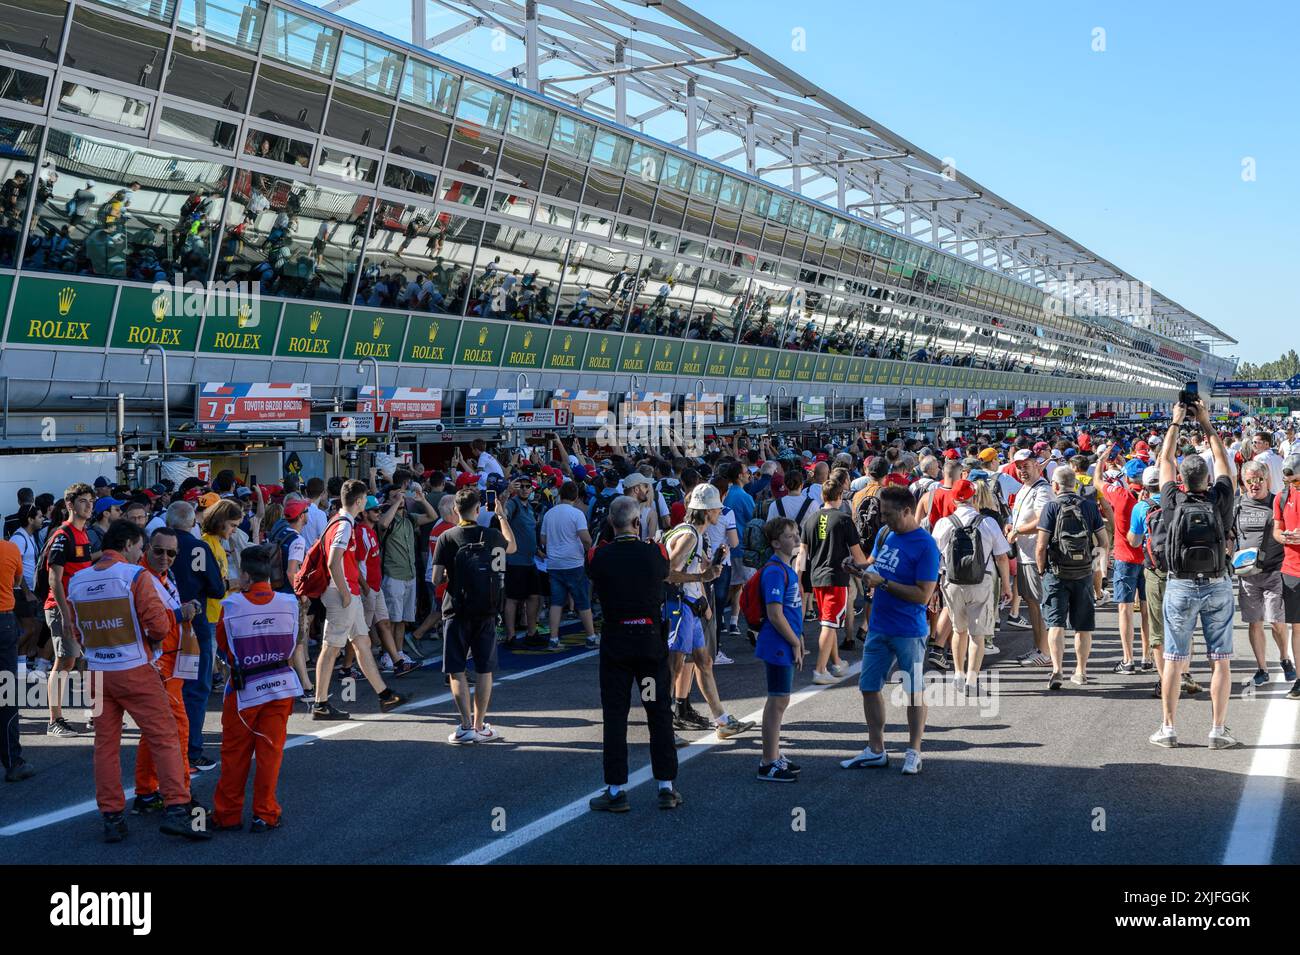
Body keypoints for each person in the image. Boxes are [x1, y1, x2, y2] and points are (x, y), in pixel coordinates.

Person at [66, 520, 210, 843]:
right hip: (135, 669)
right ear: (129, 544)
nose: (141, 554)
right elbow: (158, 627)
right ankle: (176, 808)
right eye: (140, 548)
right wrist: (177, 614)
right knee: (165, 736)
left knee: (105, 746)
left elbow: (77, 632)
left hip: (99, 671)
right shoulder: (135, 576)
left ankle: (112, 818)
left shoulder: (77, 581)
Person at [1150, 399, 1238, 749]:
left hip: (1181, 585)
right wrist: (1206, 423)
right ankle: (1218, 730)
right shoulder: (1222, 497)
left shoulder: (1172, 500)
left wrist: (1175, 423)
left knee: (1174, 658)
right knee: (1221, 659)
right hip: (1217, 582)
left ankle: (1169, 728)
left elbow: (1165, 460)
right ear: (1206, 480)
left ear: (1183, 481)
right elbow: (1223, 462)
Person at [587, 496, 682, 809]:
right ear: (638, 523)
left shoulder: (599, 556)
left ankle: (615, 790)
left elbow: (593, 564)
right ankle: (666, 785)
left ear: (612, 524)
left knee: (615, 715)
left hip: (617, 645)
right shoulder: (654, 553)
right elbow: (665, 566)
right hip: (648, 645)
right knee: (657, 710)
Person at [842, 485, 939, 775]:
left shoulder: (925, 545)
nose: (883, 519)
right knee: (869, 687)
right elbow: (873, 565)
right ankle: (876, 749)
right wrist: (857, 568)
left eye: (888, 514)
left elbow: (923, 595)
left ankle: (914, 751)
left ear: (908, 511)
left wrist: (881, 583)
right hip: (879, 626)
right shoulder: (886, 535)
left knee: (913, 691)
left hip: (909, 629)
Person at [211, 545, 302, 832]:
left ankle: (227, 815)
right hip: (281, 685)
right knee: (270, 752)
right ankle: (265, 813)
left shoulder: (232, 607)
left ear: (246, 576)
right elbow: (296, 641)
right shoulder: (290, 603)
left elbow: (224, 649)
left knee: (235, 753)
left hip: (244, 689)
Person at [662, 484, 753, 739]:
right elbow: (667, 573)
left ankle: (722, 720)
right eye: (717, 509)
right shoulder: (690, 535)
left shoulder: (695, 533)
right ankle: (664, 726)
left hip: (689, 605)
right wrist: (703, 576)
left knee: (704, 662)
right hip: (679, 606)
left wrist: (705, 593)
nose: (720, 513)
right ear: (708, 511)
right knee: (675, 666)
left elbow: (691, 571)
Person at [311, 479, 407, 720]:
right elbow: (334, 561)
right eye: (365, 499)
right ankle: (320, 703)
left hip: (346, 592)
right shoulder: (344, 525)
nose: (367, 503)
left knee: (362, 643)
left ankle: (385, 695)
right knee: (331, 647)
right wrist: (345, 593)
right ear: (359, 501)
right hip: (342, 593)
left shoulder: (339, 521)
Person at [431, 487, 516, 744]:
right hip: (486, 608)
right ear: (478, 510)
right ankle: (480, 725)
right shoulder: (490, 535)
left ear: (455, 510)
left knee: (456, 670)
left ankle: (465, 725)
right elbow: (511, 547)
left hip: (455, 609)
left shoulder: (447, 537)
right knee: (484, 669)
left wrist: (451, 575)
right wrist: (501, 516)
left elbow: (436, 579)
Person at [132, 528, 202, 813]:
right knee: (177, 730)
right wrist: (178, 613)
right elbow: (151, 621)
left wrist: (183, 609)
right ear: (147, 548)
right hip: (157, 664)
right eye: (159, 551)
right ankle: (181, 795)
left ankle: (147, 794)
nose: (164, 557)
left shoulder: (163, 576)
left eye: (171, 553)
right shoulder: (139, 577)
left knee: (155, 731)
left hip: (171, 661)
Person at [931, 479, 1012, 693]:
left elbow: (933, 556)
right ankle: (971, 680)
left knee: (959, 629)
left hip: (952, 581)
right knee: (978, 633)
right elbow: (1002, 557)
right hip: (982, 581)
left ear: (955, 499)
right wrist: (1006, 585)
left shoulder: (944, 523)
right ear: (973, 498)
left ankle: (958, 673)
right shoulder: (987, 523)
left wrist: (932, 588)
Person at [1035, 466, 1107, 690]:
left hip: (1056, 572)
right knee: (1082, 626)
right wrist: (1095, 568)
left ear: (1055, 486)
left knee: (1056, 623)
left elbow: (1041, 546)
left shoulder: (1051, 507)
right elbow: (1103, 542)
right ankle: (1081, 671)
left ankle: (1057, 670)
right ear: (1075, 484)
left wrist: (1041, 570)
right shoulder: (1088, 506)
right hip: (1084, 572)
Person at [168, 500, 226, 771]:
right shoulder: (197, 547)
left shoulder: (152, 547)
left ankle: (169, 749)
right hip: (195, 623)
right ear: (192, 523)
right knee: (197, 688)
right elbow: (216, 589)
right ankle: (192, 749)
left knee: (166, 688)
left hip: (162, 624)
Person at [1231, 460, 1292, 687]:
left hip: (1275, 571)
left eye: (1258, 480)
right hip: (1247, 575)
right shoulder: (1237, 505)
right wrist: (1230, 558)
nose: (1254, 485)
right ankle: (1262, 669)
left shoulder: (1278, 501)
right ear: (1244, 482)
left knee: (1276, 621)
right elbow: (1231, 536)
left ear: (1266, 479)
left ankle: (1285, 658)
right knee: (1254, 622)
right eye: (1249, 481)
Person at [753, 516, 805, 782]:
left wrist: (799, 636)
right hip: (777, 643)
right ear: (775, 543)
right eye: (788, 536)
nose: (795, 539)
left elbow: (792, 608)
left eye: (796, 533)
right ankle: (768, 761)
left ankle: (773, 754)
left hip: (784, 641)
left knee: (780, 700)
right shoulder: (774, 570)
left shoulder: (785, 568)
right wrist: (794, 641)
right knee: (777, 700)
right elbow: (775, 614)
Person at [801, 478, 865, 684]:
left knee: (828, 621)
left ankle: (836, 662)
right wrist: (869, 571)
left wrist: (797, 579)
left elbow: (802, 553)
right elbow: (858, 555)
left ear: (822, 496)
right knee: (829, 625)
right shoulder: (844, 519)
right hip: (836, 576)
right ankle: (820, 670)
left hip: (816, 576)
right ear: (839, 496)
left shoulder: (811, 519)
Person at [44, 483, 96, 737]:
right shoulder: (62, 536)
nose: (89, 505)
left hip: (81, 611)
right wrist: (65, 616)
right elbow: (54, 579)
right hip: (62, 609)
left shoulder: (83, 535)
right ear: (69, 505)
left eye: (91, 501)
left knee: (88, 661)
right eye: (83, 500)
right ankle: (55, 720)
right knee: (64, 661)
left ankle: (94, 716)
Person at [1006, 449, 1054, 667]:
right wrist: (1013, 527)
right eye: (1018, 466)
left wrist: (1017, 531)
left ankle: (1044, 652)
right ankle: (1039, 648)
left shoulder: (1042, 489)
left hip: (1035, 555)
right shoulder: (1027, 487)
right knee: (1032, 603)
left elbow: (1043, 520)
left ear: (1036, 465)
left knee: (1038, 604)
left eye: (1026, 465)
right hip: (1025, 554)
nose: (1021, 470)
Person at [1103, 458, 1152, 674]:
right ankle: (1147, 656)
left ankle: (1128, 659)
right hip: (1149, 558)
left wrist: (1103, 460)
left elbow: (1097, 482)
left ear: (1127, 477)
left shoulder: (1120, 495)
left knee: (1124, 608)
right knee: (1146, 609)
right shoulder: (1154, 499)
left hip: (1125, 557)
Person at [540, 480, 597, 650]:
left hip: (554, 563)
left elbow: (543, 539)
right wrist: (589, 550)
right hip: (573, 562)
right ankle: (591, 637)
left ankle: (553, 639)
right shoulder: (576, 514)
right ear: (576, 496)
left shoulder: (550, 513)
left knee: (556, 602)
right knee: (582, 601)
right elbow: (585, 538)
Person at [1, 530, 33, 781]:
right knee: (5, 692)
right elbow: (16, 581)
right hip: (4, 621)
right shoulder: (10, 549)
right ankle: (13, 761)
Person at [1271, 451, 1300, 700]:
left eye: (1297, 482)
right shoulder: (1281, 497)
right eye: (1289, 482)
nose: (1293, 486)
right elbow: (1277, 529)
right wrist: (1284, 537)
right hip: (1291, 570)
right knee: (1297, 628)